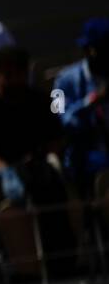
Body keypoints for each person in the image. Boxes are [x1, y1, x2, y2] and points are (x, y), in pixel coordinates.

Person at [0, 46, 76, 274]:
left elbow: (56, 141)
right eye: (8, 75)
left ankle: (63, 263)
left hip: (38, 169)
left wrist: (44, 160)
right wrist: (9, 171)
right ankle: (17, 268)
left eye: (19, 75)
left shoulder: (40, 101)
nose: (14, 81)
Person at [53, 18, 109, 195]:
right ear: (90, 51)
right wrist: (91, 101)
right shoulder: (63, 80)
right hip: (85, 152)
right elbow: (58, 119)